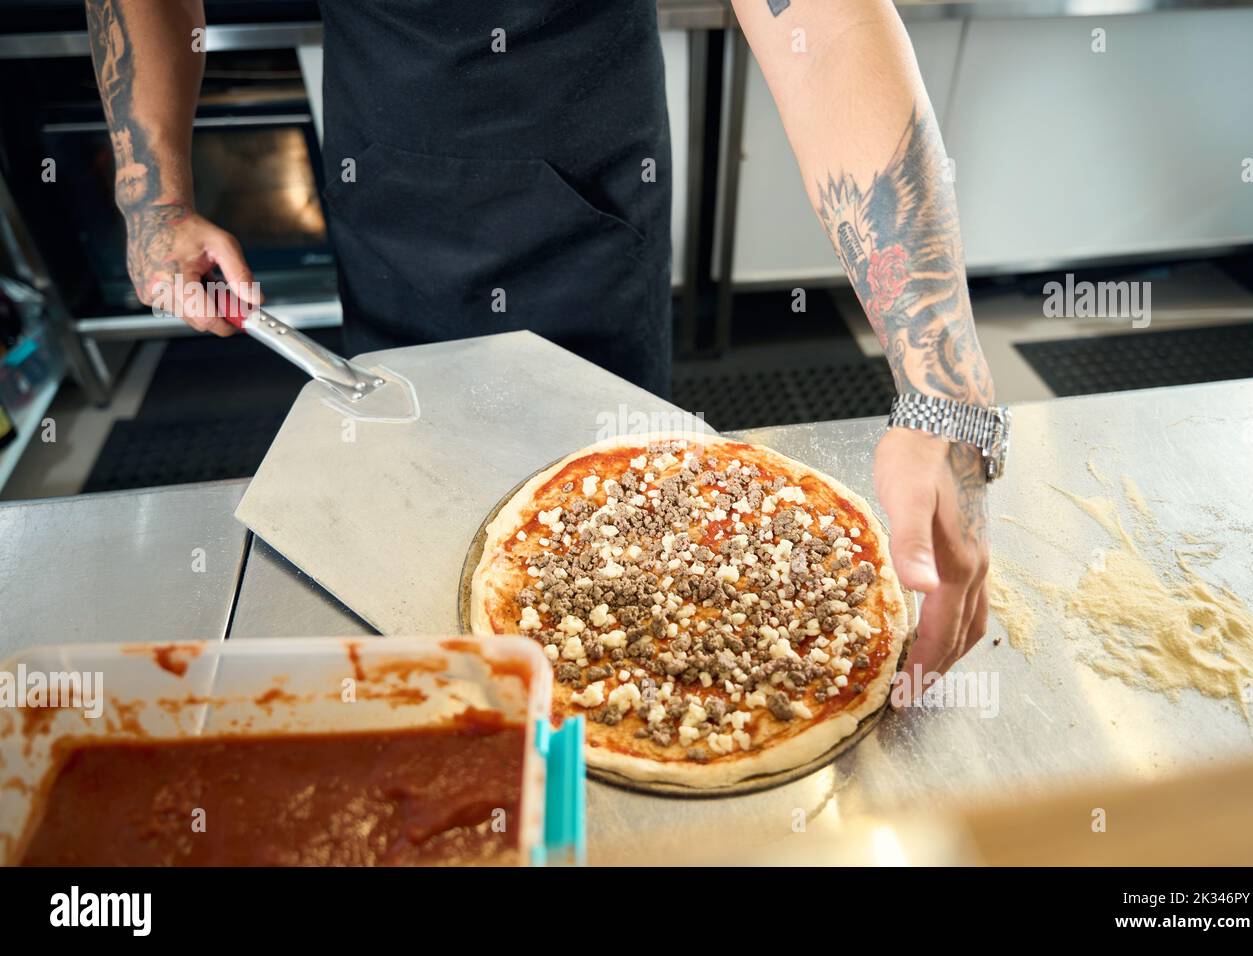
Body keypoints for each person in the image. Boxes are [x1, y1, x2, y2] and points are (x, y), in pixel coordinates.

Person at [86, 0, 999, 690]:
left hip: (591, 186)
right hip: (391, 165)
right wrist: (151, 194)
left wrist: (943, 384)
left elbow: (824, 29)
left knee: (629, 550)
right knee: (404, 525)